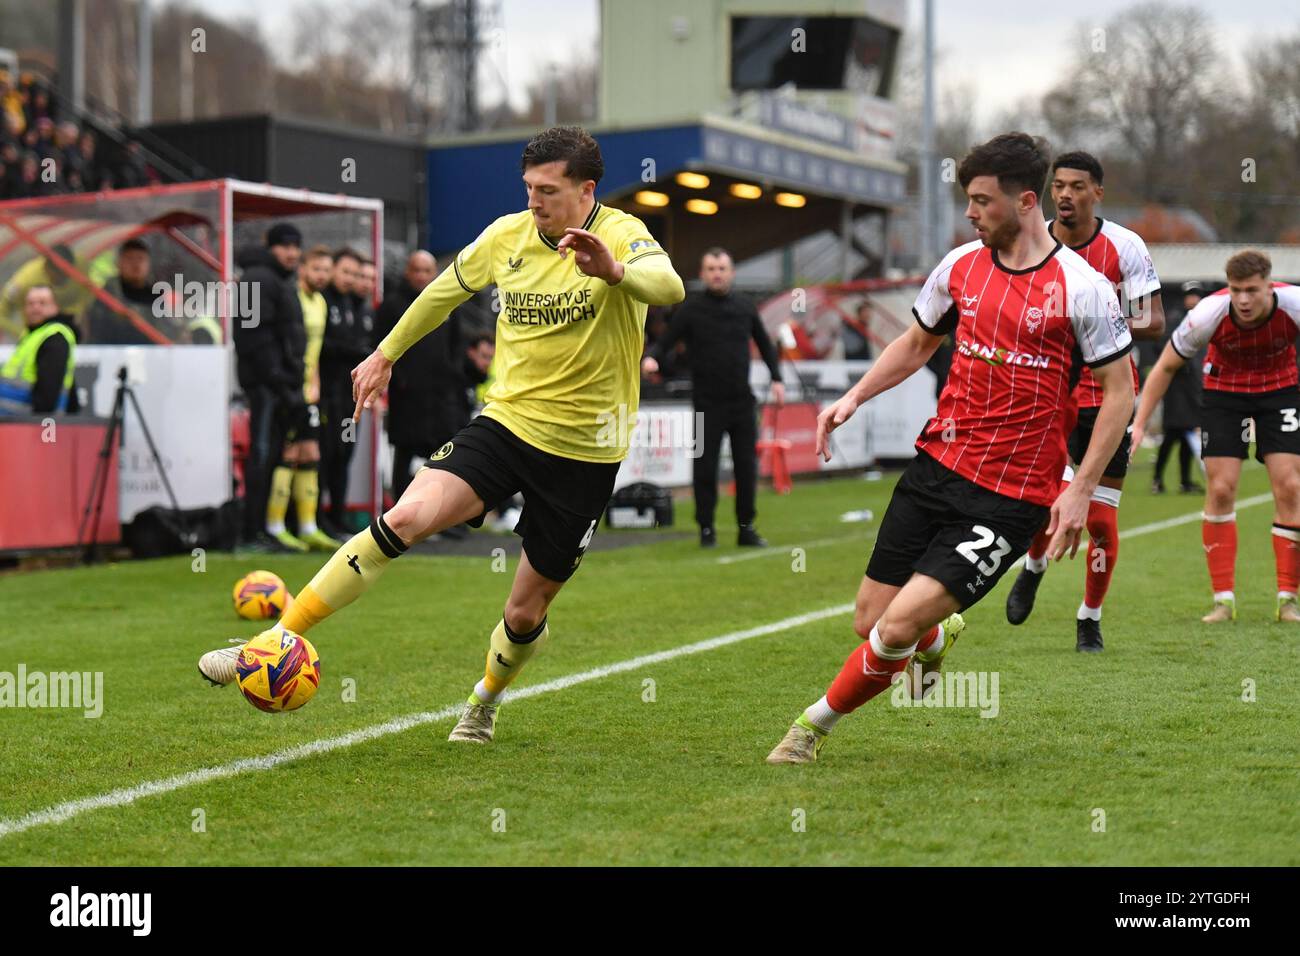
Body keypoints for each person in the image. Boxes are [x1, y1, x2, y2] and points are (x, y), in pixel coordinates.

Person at [197, 126, 685, 745]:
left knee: (523, 612)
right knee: (405, 516)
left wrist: (614, 271)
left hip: (585, 454)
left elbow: (670, 286)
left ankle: (485, 700)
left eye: (549, 190)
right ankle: (271, 641)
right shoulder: (506, 236)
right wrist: (384, 355)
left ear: (587, 190)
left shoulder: (619, 233)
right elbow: (442, 294)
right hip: (506, 424)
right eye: (529, 188)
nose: (534, 201)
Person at [766, 133, 1133, 764]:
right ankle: (937, 643)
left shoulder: (1083, 287)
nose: (969, 212)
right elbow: (915, 343)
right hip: (937, 466)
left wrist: (1077, 492)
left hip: (1011, 496)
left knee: (893, 629)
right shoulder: (960, 267)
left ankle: (808, 730)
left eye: (981, 200)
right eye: (967, 199)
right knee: (870, 620)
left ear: (1023, 201)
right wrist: (853, 397)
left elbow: (1119, 393)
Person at [1002, 151, 1165, 652]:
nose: (1066, 195)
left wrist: (1098, 321)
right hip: (1047, 392)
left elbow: (1153, 320)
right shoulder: (1033, 243)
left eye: (1077, 186)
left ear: (1098, 192)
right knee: (1040, 502)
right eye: (1059, 186)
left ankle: (1089, 617)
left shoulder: (1125, 246)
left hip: (1108, 396)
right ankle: (1033, 566)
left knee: (1098, 517)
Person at [1132, 251, 1300, 624]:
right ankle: (1223, 601)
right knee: (1221, 488)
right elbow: (1165, 367)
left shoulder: (1294, 305)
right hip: (1225, 393)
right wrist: (1140, 423)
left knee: (1289, 486)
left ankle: (1287, 600)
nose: (1243, 300)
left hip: (1281, 390)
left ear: (1270, 287)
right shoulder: (1207, 314)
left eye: (1252, 291)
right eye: (1236, 290)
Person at [642, 247, 785, 548]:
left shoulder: (746, 307)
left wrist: (777, 378)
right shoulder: (691, 309)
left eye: (722, 269)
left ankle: (746, 528)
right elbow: (666, 340)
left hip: (742, 403)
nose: (717, 274)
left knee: (746, 467)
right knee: (704, 467)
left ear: (731, 273)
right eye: (711, 269)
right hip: (707, 404)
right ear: (702, 274)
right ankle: (706, 528)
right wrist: (652, 357)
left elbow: (765, 344)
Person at [232, 222, 307, 551]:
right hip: (266, 385)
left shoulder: (275, 279)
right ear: (271, 247)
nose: (292, 253)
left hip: (277, 384)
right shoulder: (258, 278)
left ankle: (263, 529)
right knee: (261, 455)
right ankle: (250, 533)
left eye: (296, 246)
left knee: (272, 455)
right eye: (285, 246)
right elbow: (252, 337)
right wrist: (279, 379)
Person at [265, 245, 341, 553]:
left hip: (311, 390)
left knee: (310, 453)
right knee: (288, 452)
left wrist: (316, 386)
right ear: (303, 269)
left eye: (326, 270)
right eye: (316, 269)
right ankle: (275, 526)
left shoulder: (321, 302)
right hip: (289, 388)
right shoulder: (290, 298)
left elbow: (316, 350)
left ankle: (308, 527)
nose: (322, 276)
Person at [376, 250, 460, 503]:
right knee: (405, 452)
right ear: (407, 272)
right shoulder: (392, 304)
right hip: (408, 396)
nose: (422, 276)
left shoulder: (447, 302)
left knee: (443, 454)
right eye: (417, 270)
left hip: (440, 396)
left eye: (427, 270)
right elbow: (380, 346)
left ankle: (439, 514)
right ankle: (400, 513)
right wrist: (401, 381)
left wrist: (451, 376)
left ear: (434, 273)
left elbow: (456, 345)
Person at [317, 247, 371, 536]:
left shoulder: (357, 305)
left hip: (350, 399)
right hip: (326, 395)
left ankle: (336, 518)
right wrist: (357, 352)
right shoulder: (324, 301)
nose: (351, 279)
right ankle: (315, 519)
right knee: (325, 457)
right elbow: (321, 346)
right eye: (346, 272)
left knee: (343, 457)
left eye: (355, 273)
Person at [1152, 280, 1206, 494]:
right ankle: (1157, 478)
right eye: (1190, 295)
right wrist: (1180, 363)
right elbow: (1161, 347)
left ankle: (1185, 480)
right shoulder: (1175, 320)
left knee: (1187, 436)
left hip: (1193, 388)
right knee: (1172, 435)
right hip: (1176, 388)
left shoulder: (1204, 320)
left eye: (1196, 295)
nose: (1193, 299)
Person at [0, 285, 81, 415]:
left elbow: (48, 395)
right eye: (30, 304)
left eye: (42, 303)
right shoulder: (32, 334)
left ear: (55, 307)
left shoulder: (54, 337)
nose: (35, 308)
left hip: (29, 425)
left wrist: (38, 428)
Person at [85, 238, 180, 344]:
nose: (135, 264)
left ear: (148, 264)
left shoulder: (156, 296)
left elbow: (169, 332)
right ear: (119, 263)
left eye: (140, 259)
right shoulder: (107, 296)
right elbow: (96, 330)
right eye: (129, 258)